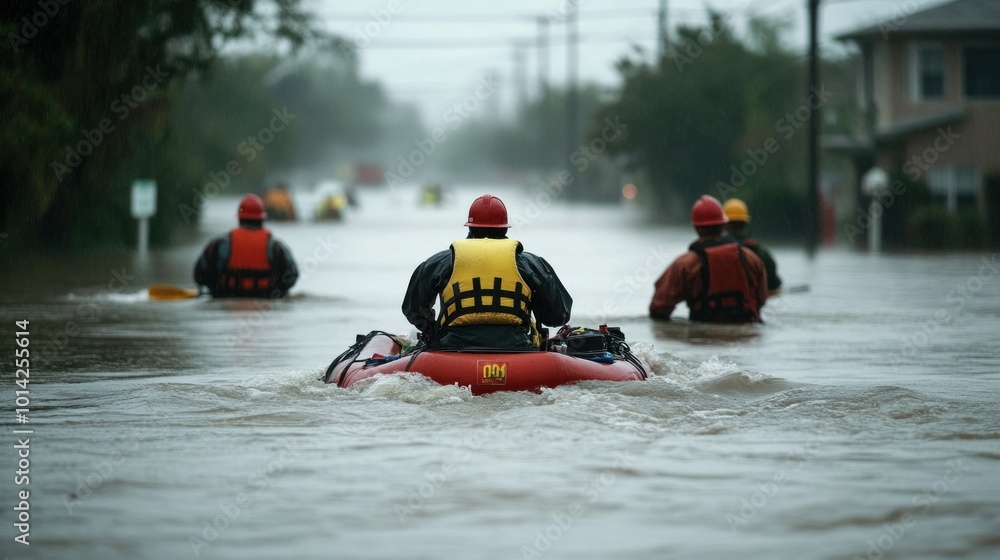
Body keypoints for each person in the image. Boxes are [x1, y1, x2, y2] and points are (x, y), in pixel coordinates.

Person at [402, 194, 572, 349]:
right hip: (517, 348)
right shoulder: (530, 263)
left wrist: (432, 330)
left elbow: (413, 309)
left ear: (470, 228)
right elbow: (557, 316)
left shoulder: (441, 262)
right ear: (505, 229)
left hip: (452, 347)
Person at [649, 195, 767, 323]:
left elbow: (658, 308)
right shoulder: (751, 258)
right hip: (748, 335)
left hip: (703, 336)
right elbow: (761, 298)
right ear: (723, 225)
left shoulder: (685, 264)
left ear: (696, 228)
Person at [194, 194, 299, 298]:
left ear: (239, 218)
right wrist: (278, 291)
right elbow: (292, 275)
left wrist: (215, 289)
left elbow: (200, 275)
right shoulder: (276, 246)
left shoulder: (219, 244)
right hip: (265, 297)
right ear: (262, 219)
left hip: (226, 296)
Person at [723, 198, 782, 293]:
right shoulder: (759, 250)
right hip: (753, 302)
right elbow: (773, 283)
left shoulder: (717, 249)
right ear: (745, 222)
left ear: (724, 223)